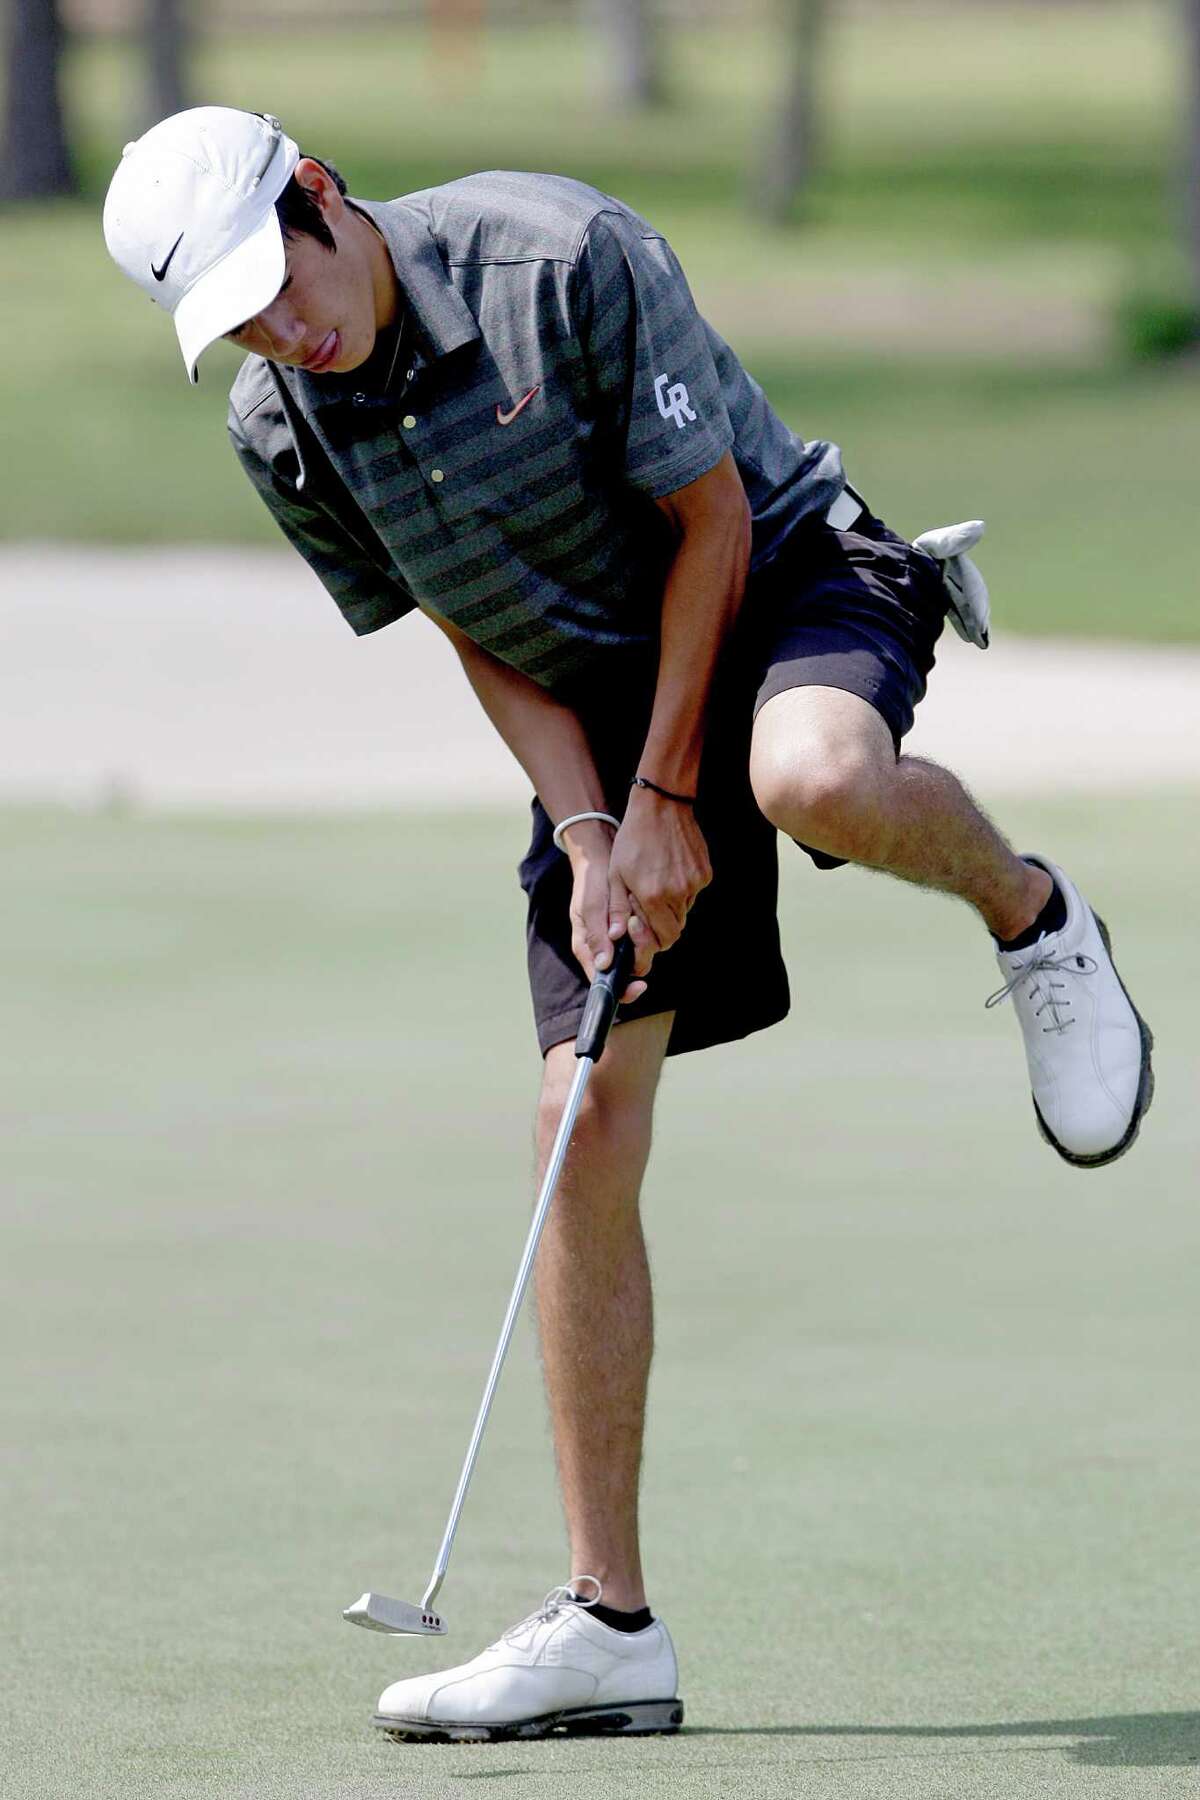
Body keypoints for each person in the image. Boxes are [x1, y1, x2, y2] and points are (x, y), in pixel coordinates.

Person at [104, 107, 1154, 1743]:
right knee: (578, 1108)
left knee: (805, 773)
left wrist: (670, 790)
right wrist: (597, 826)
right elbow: (467, 615)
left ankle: (1033, 916)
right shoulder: (279, 424)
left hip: (789, 571)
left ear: (320, 194)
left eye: (277, 283)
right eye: (237, 321)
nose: (280, 331)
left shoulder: (555, 256)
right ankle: (609, 1624)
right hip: (602, 696)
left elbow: (714, 521)